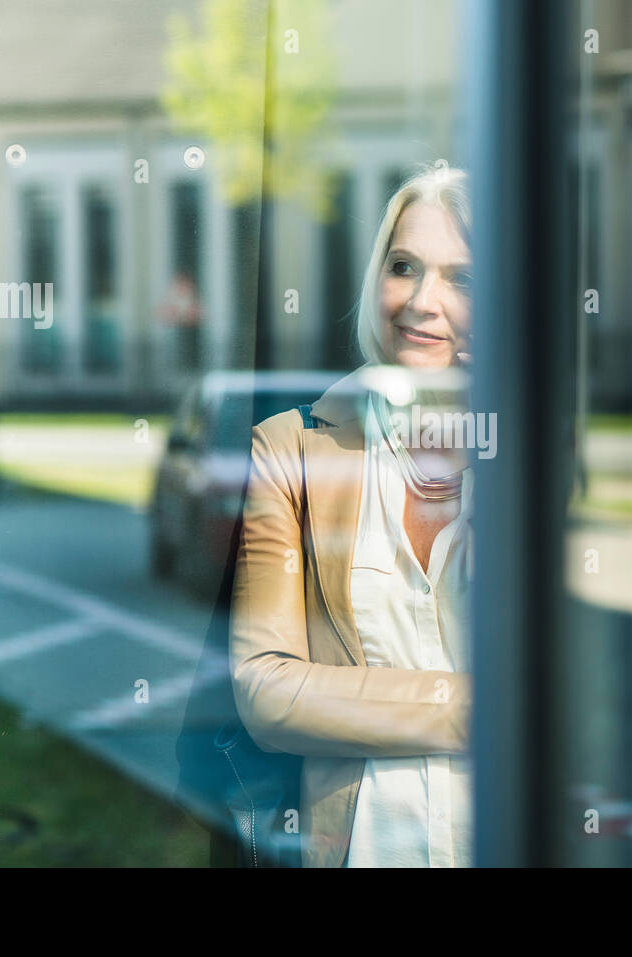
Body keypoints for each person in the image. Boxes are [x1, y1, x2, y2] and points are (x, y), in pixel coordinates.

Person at [229, 161, 476, 867]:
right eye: (404, 266)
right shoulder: (292, 447)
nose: (422, 300)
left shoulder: (529, 454)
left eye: (461, 279)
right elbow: (267, 690)